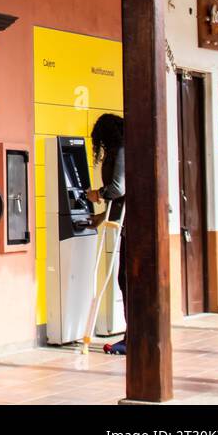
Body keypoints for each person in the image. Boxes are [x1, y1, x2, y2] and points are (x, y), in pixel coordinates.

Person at [87, 113, 126, 354]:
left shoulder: (119, 149)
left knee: (127, 280)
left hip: (133, 223)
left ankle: (132, 338)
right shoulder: (129, 146)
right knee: (127, 280)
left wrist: (97, 194)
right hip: (126, 219)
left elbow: (118, 188)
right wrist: (102, 217)